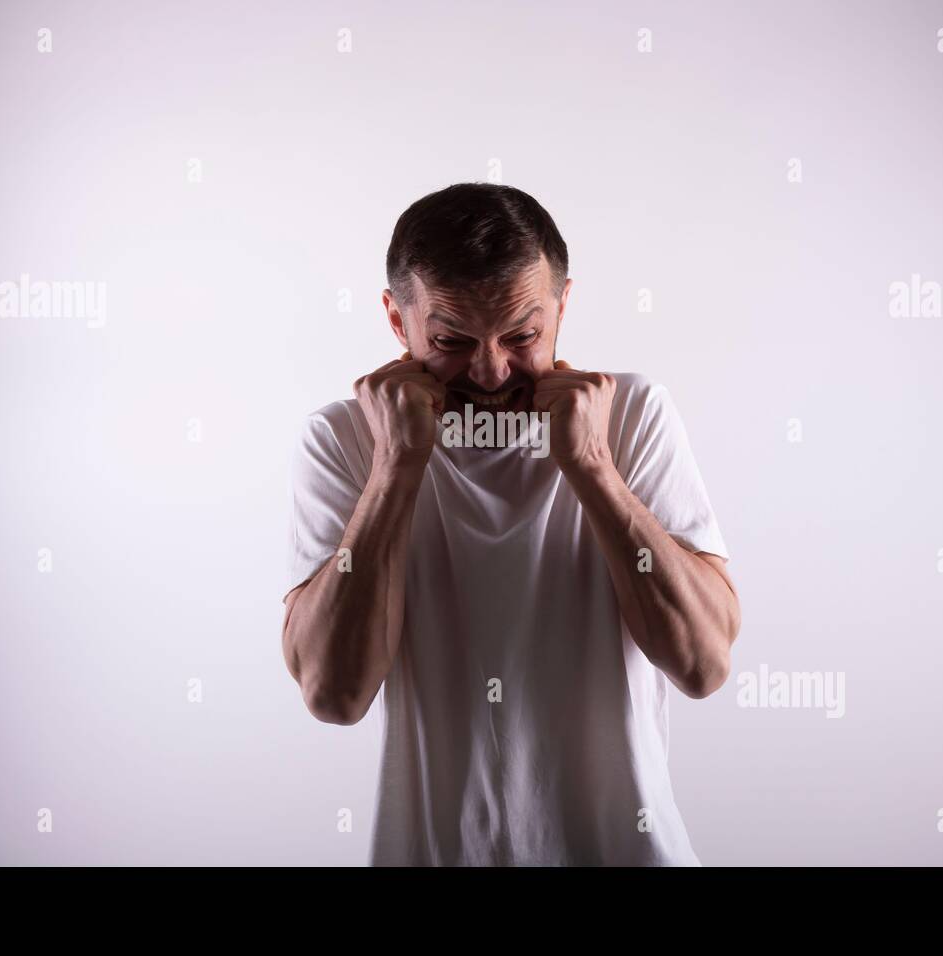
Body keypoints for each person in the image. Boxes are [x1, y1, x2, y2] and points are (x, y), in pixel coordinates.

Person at [281, 183, 741, 865]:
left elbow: (703, 664)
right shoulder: (342, 440)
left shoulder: (632, 414)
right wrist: (396, 464)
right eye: (451, 340)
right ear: (397, 320)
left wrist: (591, 464)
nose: (492, 372)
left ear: (563, 307)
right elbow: (334, 694)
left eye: (522, 335)